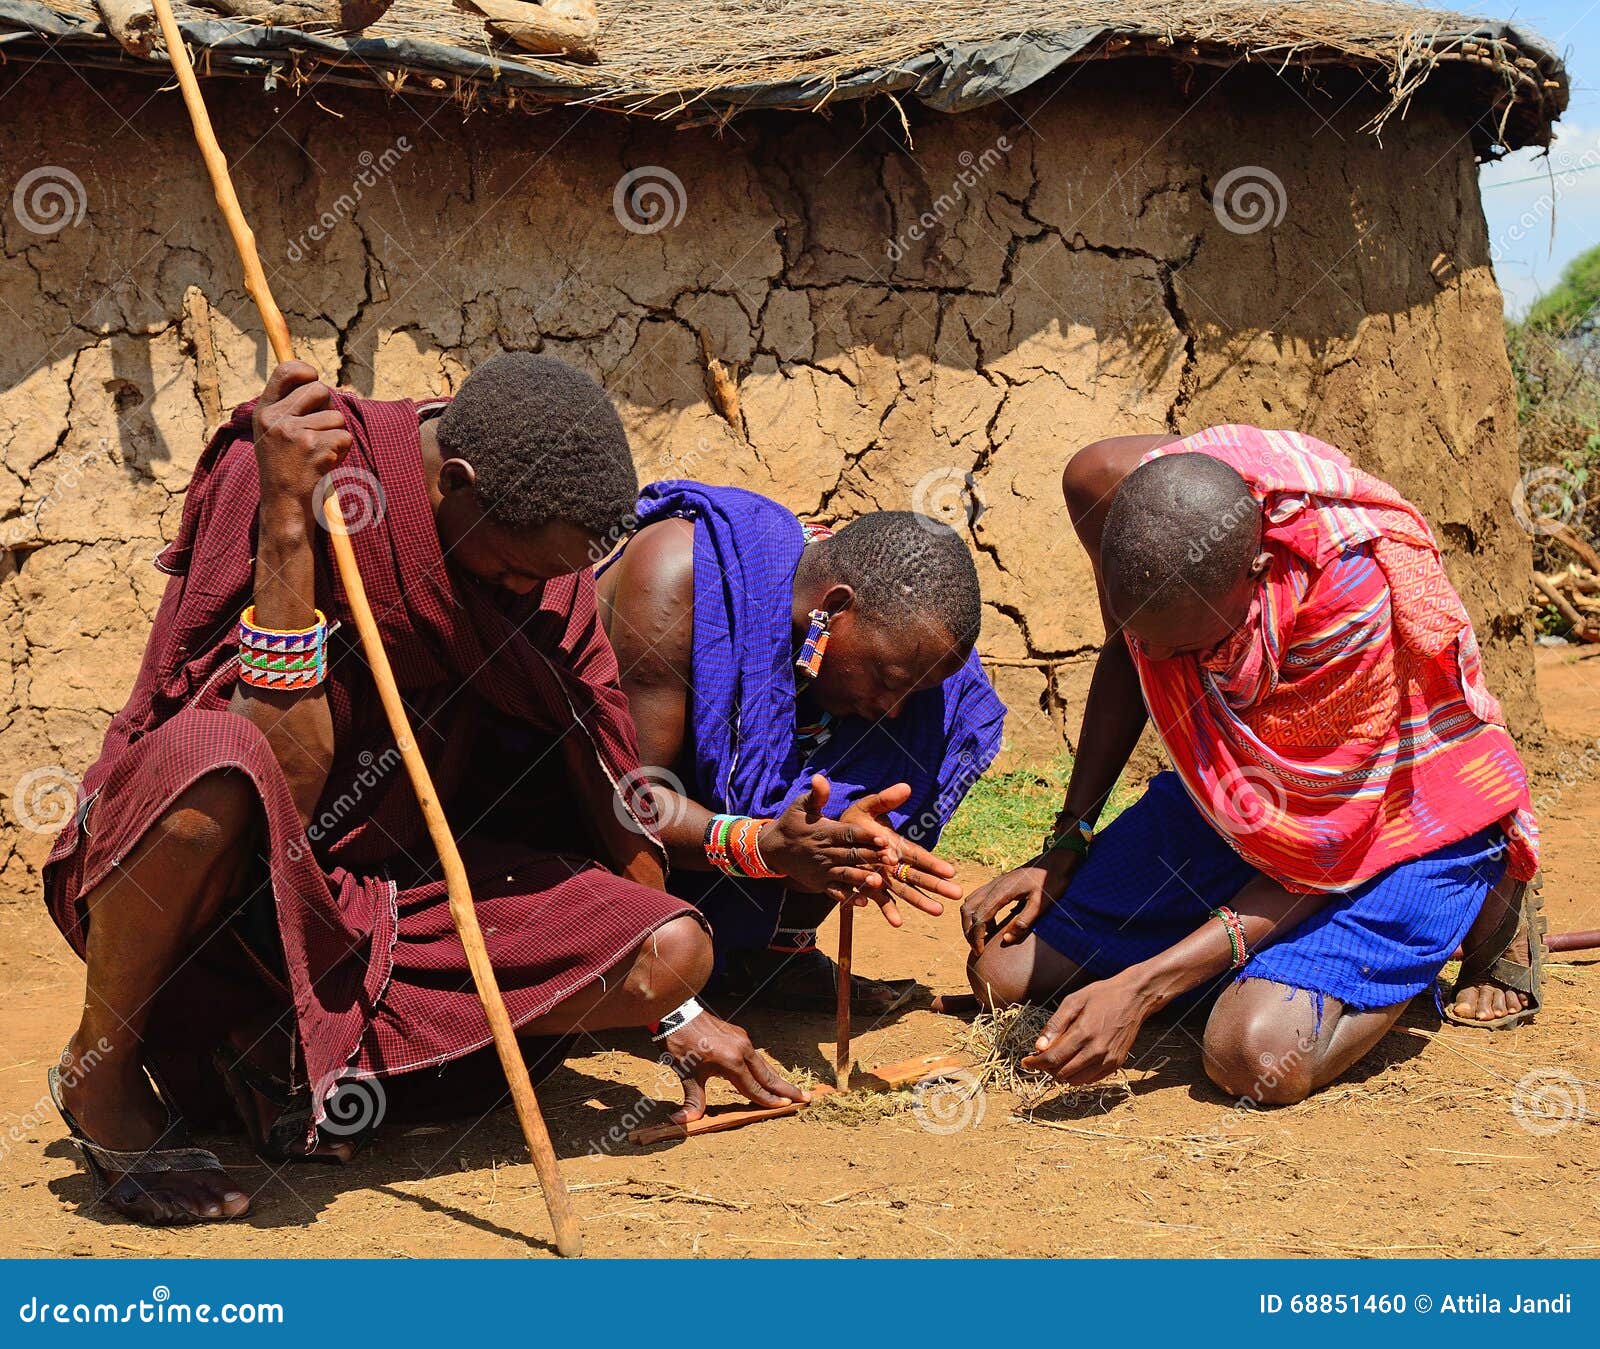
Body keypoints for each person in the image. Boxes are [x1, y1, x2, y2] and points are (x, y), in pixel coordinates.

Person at [43, 353, 715, 1225]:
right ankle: (105, 1078)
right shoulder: (293, 470)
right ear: (458, 485)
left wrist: (675, 1013)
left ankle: (279, 1060)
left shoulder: (547, 575)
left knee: (671, 950)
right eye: (514, 575)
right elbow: (276, 770)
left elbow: (610, 778)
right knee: (214, 758)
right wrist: (288, 521)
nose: (532, 592)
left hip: (379, 910)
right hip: (209, 887)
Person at [963, 426, 1541, 1105]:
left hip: (1395, 820)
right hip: (1254, 797)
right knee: (1002, 968)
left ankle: (1473, 892)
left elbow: (1320, 857)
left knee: (1251, 1053)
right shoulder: (1113, 493)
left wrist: (1143, 985)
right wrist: (1067, 841)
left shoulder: (1346, 612)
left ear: (1256, 576)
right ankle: (1247, 962)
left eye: (1182, 647)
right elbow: (1130, 648)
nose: (1159, 662)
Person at [596, 481, 1005, 1122]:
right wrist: (764, 848)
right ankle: (635, 968)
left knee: (872, 784)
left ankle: (773, 957)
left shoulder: (882, 647)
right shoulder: (679, 578)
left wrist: (845, 838)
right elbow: (626, 800)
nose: (890, 710)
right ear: (833, 609)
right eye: (889, 681)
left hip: (716, 828)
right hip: (579, 829)